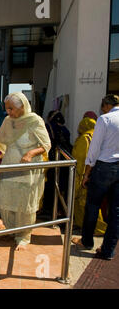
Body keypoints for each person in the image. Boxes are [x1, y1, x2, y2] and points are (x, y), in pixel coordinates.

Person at [0, 92, 51, 251]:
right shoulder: (8, 121)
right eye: (7, 108)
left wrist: (30, 153)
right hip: (9, 167)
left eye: (11, 108)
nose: (8, 112)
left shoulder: (35, 121)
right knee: (6, 200)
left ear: (22, 107)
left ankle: (24, 236)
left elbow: (46, 145)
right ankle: (13, 229)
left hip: (26, 171)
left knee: (24, 204)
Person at [72, 94, 119, 260]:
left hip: (104, 167)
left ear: (106, 105)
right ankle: (108, 250)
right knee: (116, 212)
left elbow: (94, 149)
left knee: (92, 206)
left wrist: (86, 173)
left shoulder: (105, 119)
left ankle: (87, 242)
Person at [72, 112, 107, 234]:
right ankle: (86, 226)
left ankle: (97, 229)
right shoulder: (99, 136)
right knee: (93, 203)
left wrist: (82, 178)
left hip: (84, 175)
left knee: (83, 202)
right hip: (99, 173)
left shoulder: (85, 138)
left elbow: (82, 159)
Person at [41, 110, 72, 218]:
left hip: (53, 160)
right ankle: (59, 210)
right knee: (61, 186)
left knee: (50, 185)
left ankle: (49, 211)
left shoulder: (48, 127)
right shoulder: (65, 129)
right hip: (65, 161)